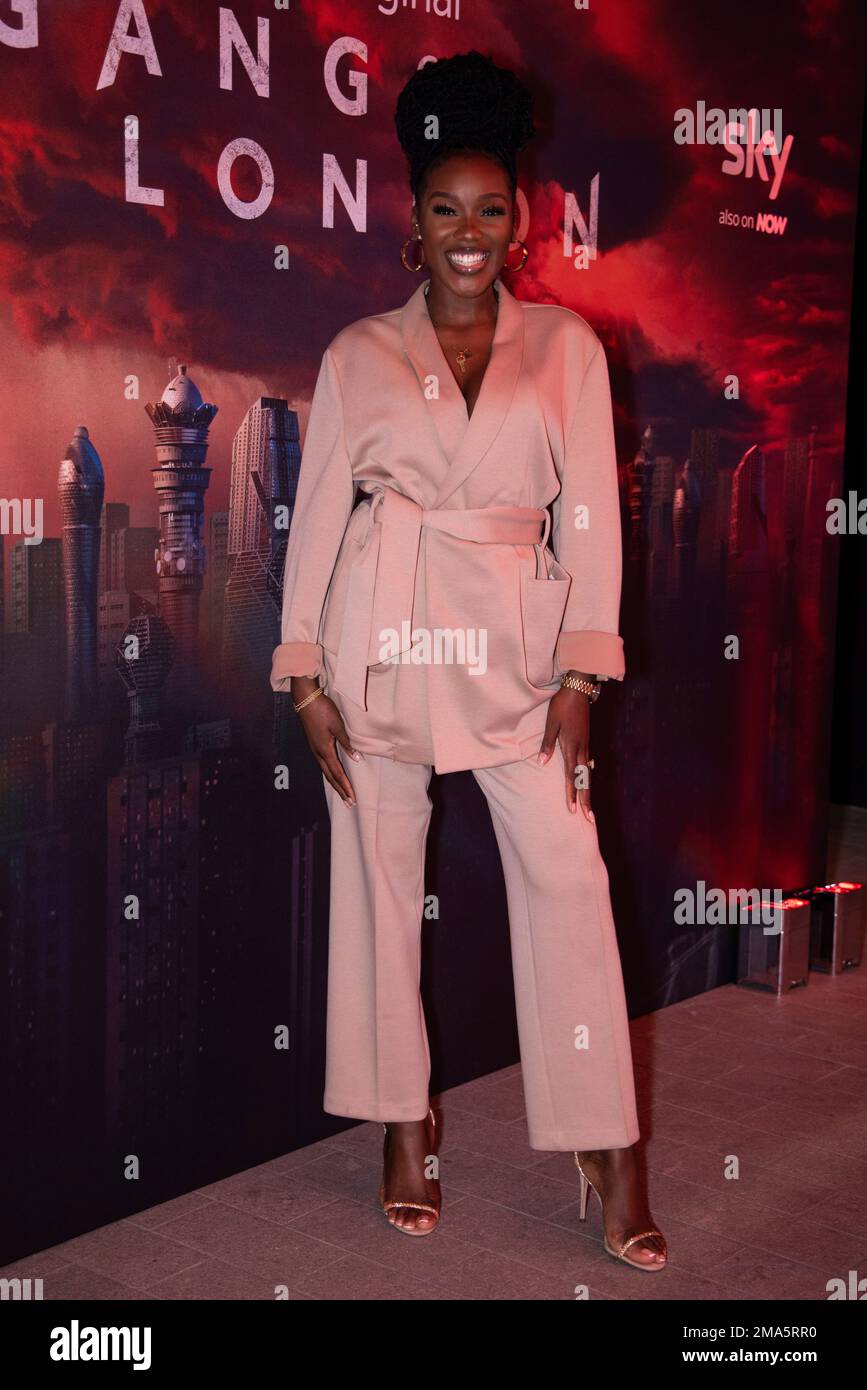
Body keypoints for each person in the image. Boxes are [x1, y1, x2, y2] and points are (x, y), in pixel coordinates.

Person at [270, 50, 667, 1271]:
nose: (469, 232)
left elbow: (589, 517)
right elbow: (321, 516)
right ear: (413, 219)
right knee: (380, 889)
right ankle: (405, 1123)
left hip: (519, 657)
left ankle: (608, 1146)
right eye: (446, 208)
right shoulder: (355, 355)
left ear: (523, 218)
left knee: (570, 883)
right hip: (375, 647)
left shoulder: (568, 352)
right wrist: (303, 671)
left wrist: (583, 677)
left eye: (491, 209)